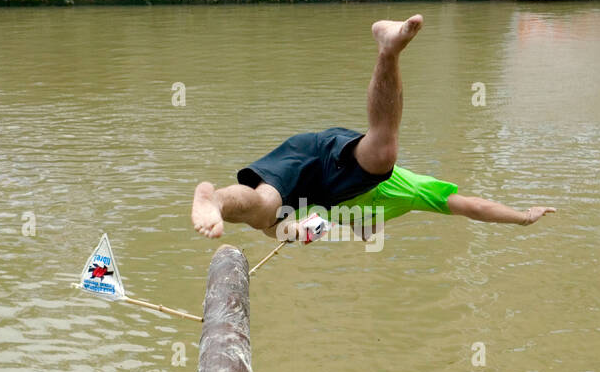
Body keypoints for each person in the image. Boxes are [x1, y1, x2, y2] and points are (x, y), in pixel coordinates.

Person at [191, 16, 556, 245]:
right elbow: (473, 207)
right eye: (369, 230)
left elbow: (271, 228)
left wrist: (290, 232)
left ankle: (215, 199)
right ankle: (389, 48)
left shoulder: (334, 216)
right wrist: (522, 217)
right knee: (383, 155)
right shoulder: (411, 192)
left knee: (263, 209)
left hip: (311, 177)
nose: (368, 232)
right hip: (332, 156)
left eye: (366, 230)